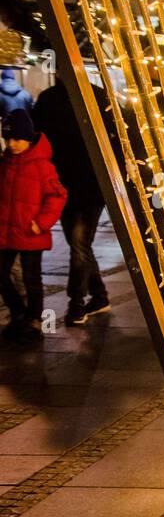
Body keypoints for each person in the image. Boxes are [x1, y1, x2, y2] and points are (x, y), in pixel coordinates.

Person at [33, 78, 111, 324]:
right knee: (80, 244)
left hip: (83, 184)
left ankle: (76, 303)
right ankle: (99, 296)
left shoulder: (53, 99)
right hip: (77, 184)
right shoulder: (93, 96)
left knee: (79, 243)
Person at [0, 109, 67, 343]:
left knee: (32, 278)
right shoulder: (5, 163)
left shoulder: (41, 166)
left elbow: (57, 195)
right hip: (5, 232)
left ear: (28, 138)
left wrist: (41, 223)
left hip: (30, 232)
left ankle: (34, 321)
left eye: (16, 139)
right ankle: (19, 313)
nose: (11, 144)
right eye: (7, 138)